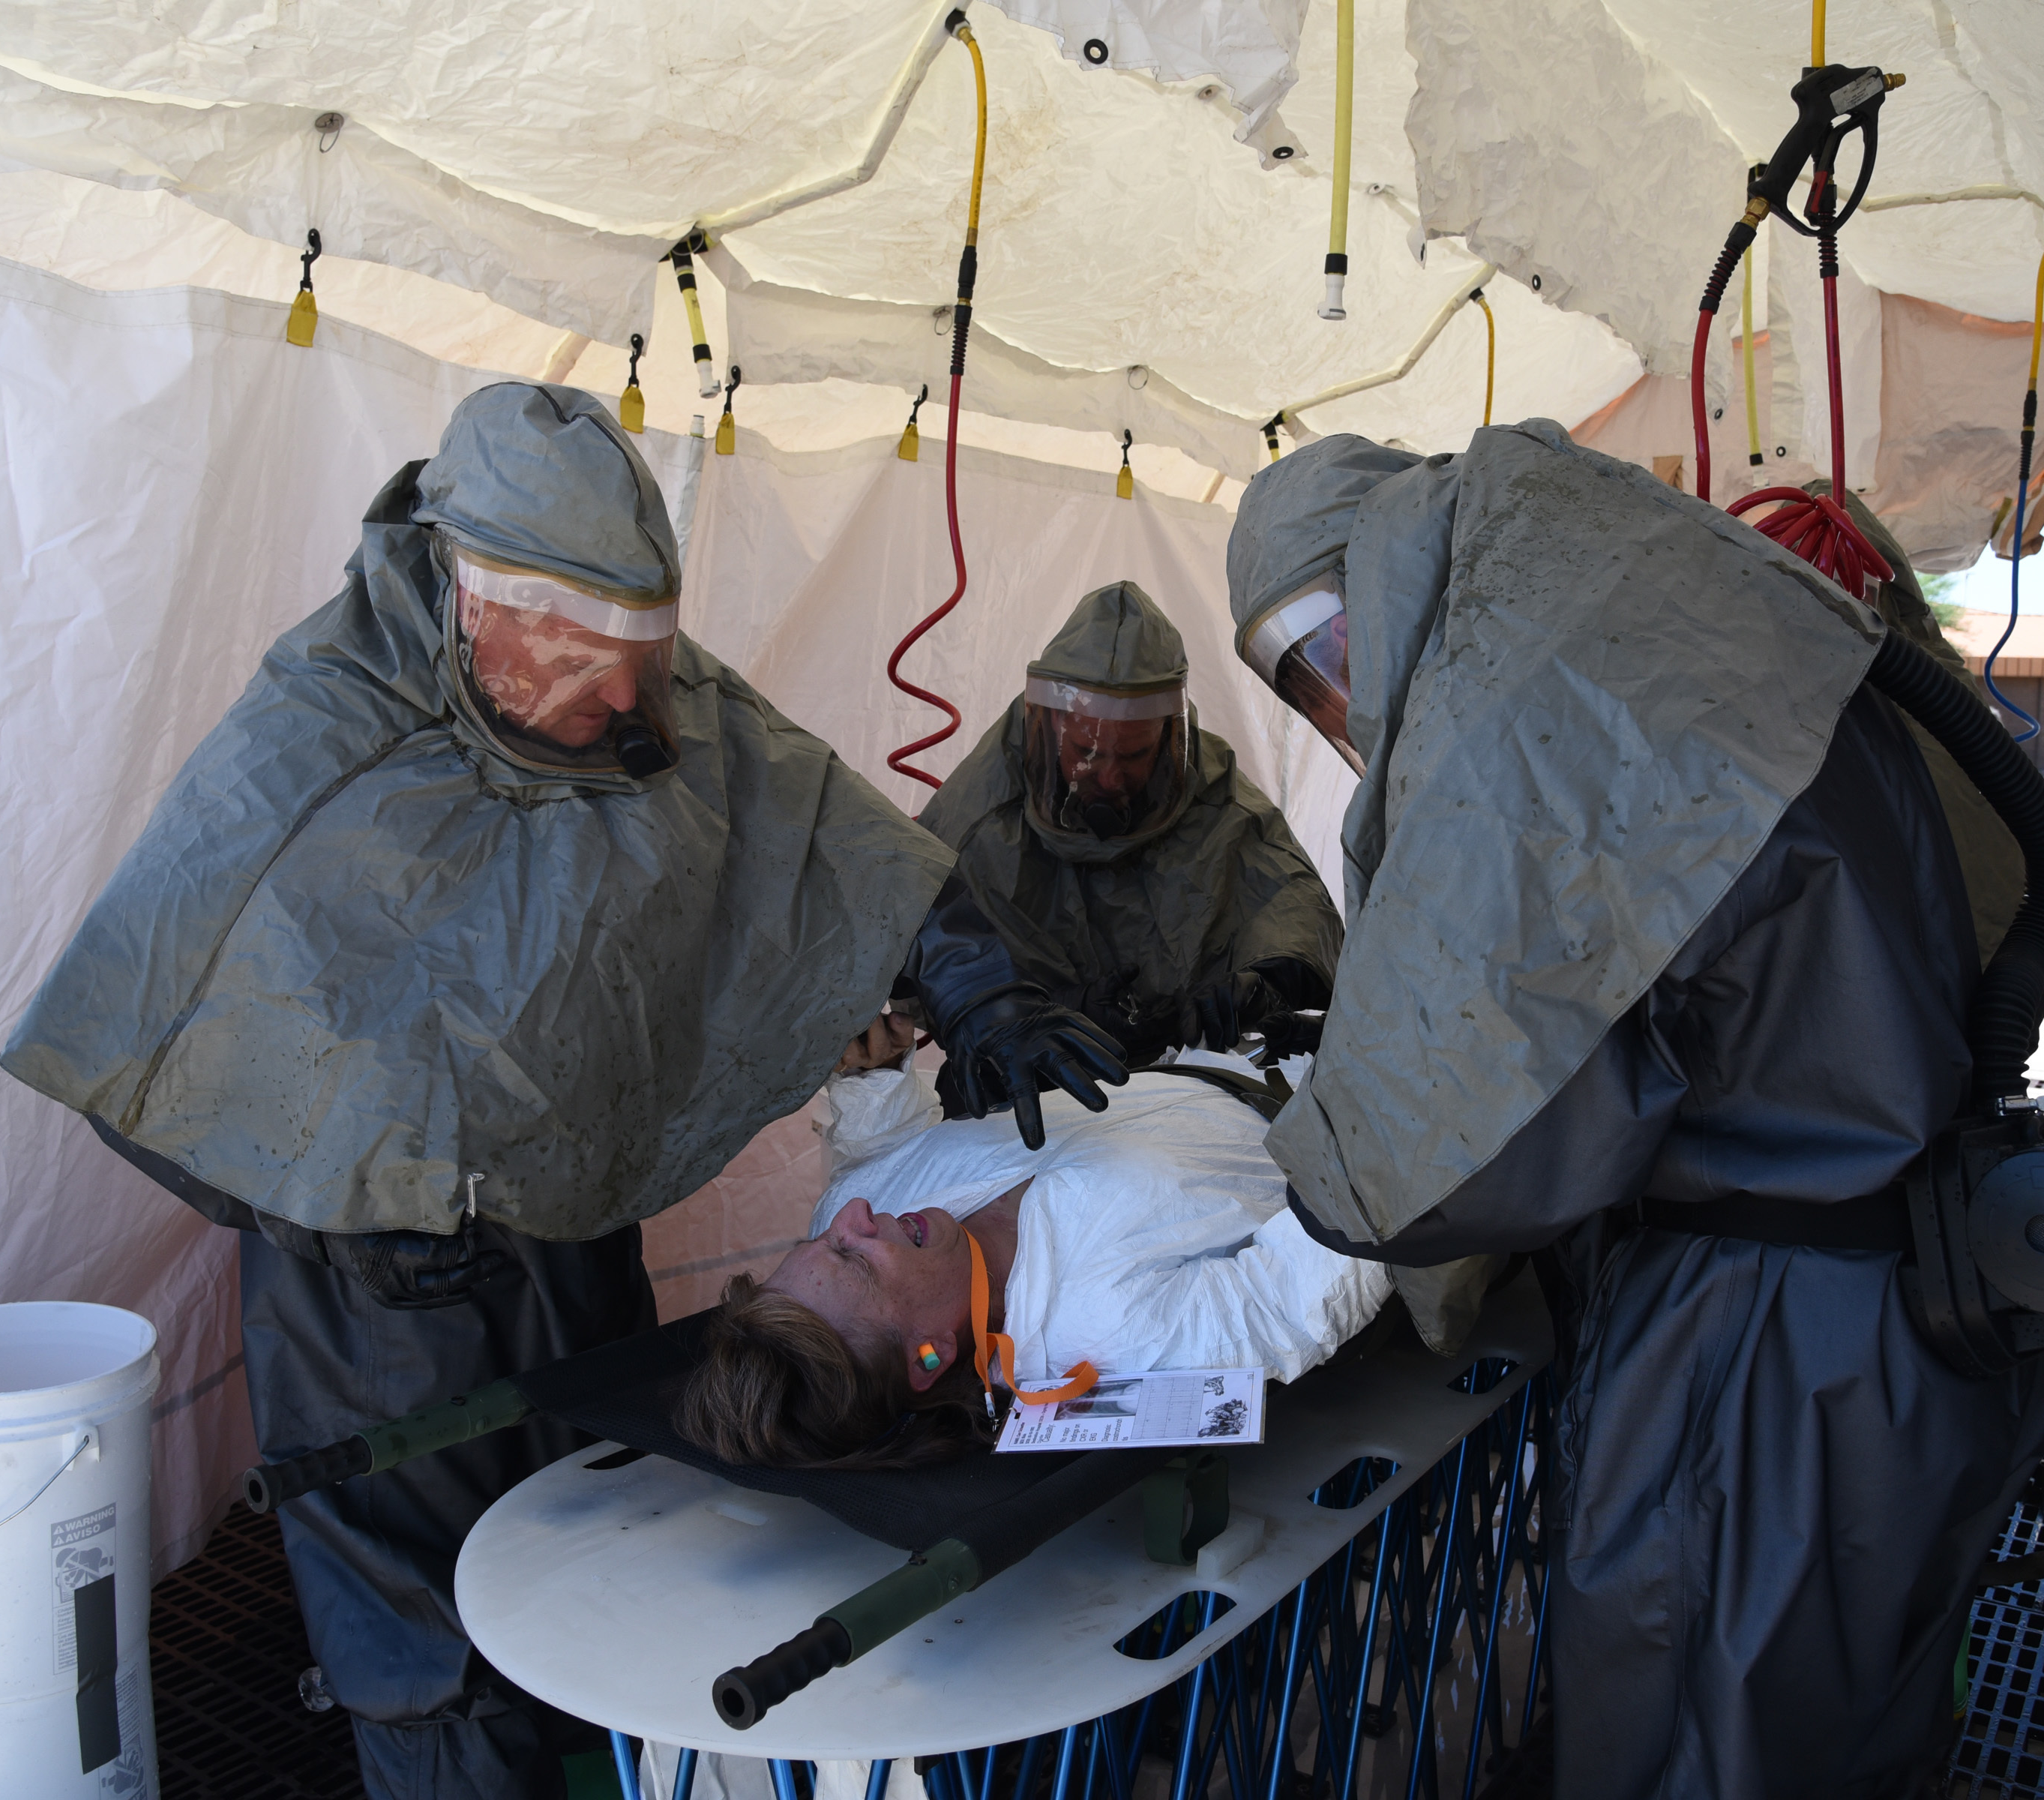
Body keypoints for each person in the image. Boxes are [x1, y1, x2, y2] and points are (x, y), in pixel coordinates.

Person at [0, 382, 1123, 1800]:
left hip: (568, 1225)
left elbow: (824, 826)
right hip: (372, 1292)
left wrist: (978, 982)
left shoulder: (651, 694)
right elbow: (167, 1003)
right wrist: (353, 1189)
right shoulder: (321, 727)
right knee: (434, 1662)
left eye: (641, 662)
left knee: (609, 1553)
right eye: (587, 665)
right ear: (480, 609)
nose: (624, 702)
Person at [1224, 419, 2044, 1798]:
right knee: (1847, 1734)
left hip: (1764, 1357)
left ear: (1401, 570)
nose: (1343, 702)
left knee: (1695, 1740)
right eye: (1301, 684)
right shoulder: (1689, 642)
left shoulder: (1550, 727)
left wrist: (1314, 1171)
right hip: (1903, 1314)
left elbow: (1480, 1160)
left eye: (1332, 648)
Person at [676, 1029, 1389, 1468]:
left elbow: (880, 1156)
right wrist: (1396, 1090)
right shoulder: (1106, 1334)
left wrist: (873, 1066)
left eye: (824, 1238)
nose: (858, 1215)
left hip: (1207, 1033)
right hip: (1359, 1079)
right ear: (930, 1356)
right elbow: (1305, 1293)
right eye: (854, 1257)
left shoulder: (857, 1209)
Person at [919, 580, 1341, 1068]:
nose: (1112, 777)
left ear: (1169, 737)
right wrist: (1064, 1008)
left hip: (1190, 1077)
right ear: (1052, 723)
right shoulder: (977, 815)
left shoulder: (1210, 789)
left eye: (1136, 754)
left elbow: (1290, 900)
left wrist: (1263, 979)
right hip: (1031, 1085)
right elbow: (934, 958)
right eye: (1087, 752)